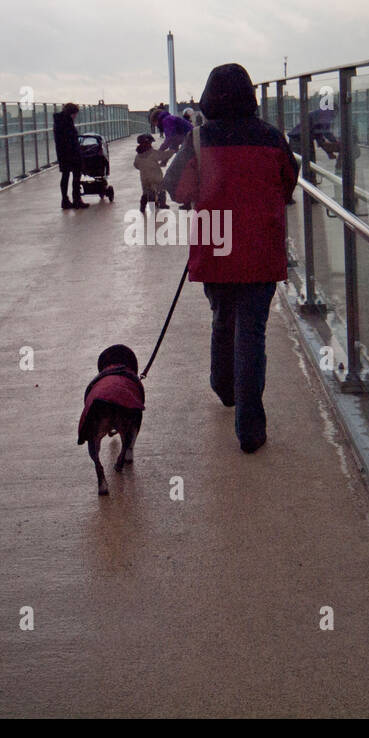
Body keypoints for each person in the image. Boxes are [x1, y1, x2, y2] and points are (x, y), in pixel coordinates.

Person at [162, 63, 299, 453]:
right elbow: (289, 178)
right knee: (252, 331)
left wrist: (201, 196)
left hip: (215, 245)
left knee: (223, 317)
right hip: (259, 247)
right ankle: (250, 429)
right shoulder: (272, 138)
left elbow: (175, 187)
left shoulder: (200, 139)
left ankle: (224, 387)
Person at [54, 102, 88, 209]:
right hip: (72, 154)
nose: (75, 116)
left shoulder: (59, 121)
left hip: (62, 153)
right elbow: (71, 140)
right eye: (75, 114)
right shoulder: (67, 123)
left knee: (65, 176)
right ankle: (77, 199)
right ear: (71, 113)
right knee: (76, 175)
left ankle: (65, 200)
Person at [132, 133, 170, 212]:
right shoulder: (153, 153)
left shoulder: (138, 156)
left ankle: (143, 207)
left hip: (144, 178)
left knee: (146, 192)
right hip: (156, 176)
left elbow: (136, 165)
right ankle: (162, 203)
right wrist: (171, 151)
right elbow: (163, 156)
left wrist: (143, 167)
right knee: (161, 189)